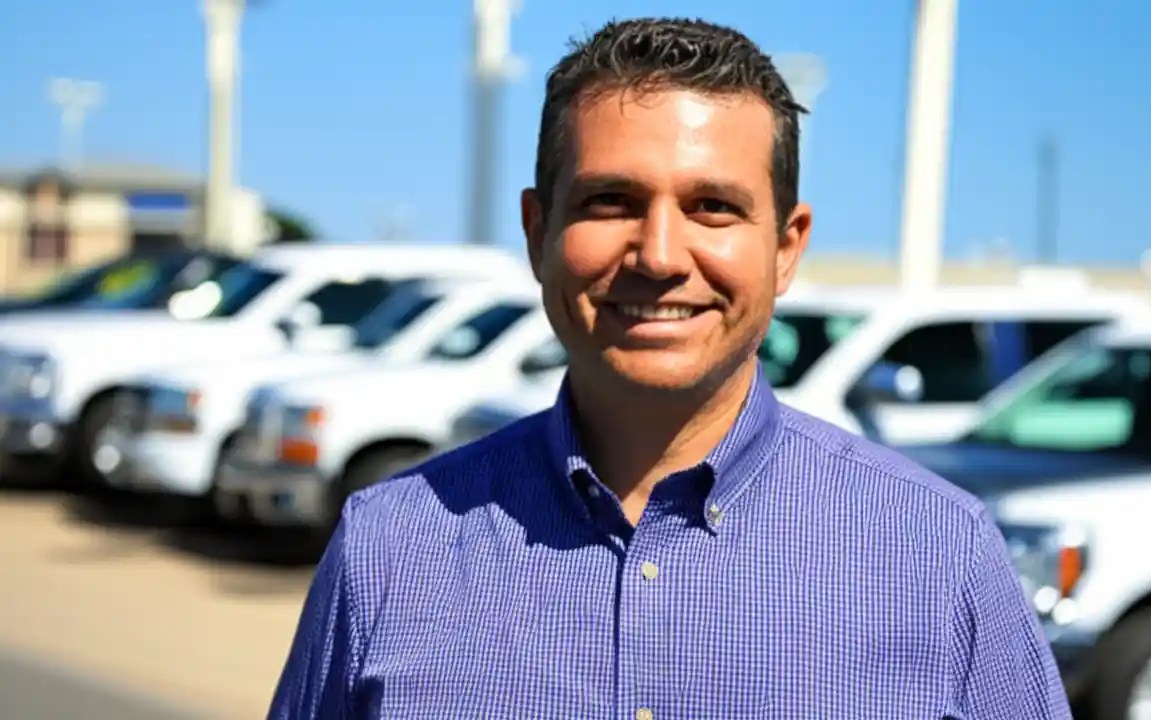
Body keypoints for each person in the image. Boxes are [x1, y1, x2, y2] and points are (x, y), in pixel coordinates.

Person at [269, 17, 1071, 719]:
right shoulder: (388, 549)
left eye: (712, 207)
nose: (657, 255)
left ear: (786, 247)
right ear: (536, 229)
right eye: (610, 201)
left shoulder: (938, 557)